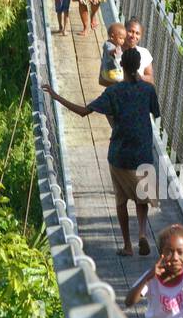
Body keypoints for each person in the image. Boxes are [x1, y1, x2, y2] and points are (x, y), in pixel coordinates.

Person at [42, 47, 159, 256]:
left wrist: (55, 96)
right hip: (143, 151)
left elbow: (83, 112)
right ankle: (142, 233)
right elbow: (155, 113)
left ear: (121, 65)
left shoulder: (113, 92)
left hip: (120, 154)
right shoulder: (148, 90)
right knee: (143, 197)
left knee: (121, 199)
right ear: (138, 67)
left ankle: (127, 246)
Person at [124, 17, 154, 82]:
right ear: (124, 31)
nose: (133, 36)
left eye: (137, 33)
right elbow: (102, 80)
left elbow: (151, 79)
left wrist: (136, 77)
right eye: (130, 31)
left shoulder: (144, 53)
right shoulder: (114, 51)